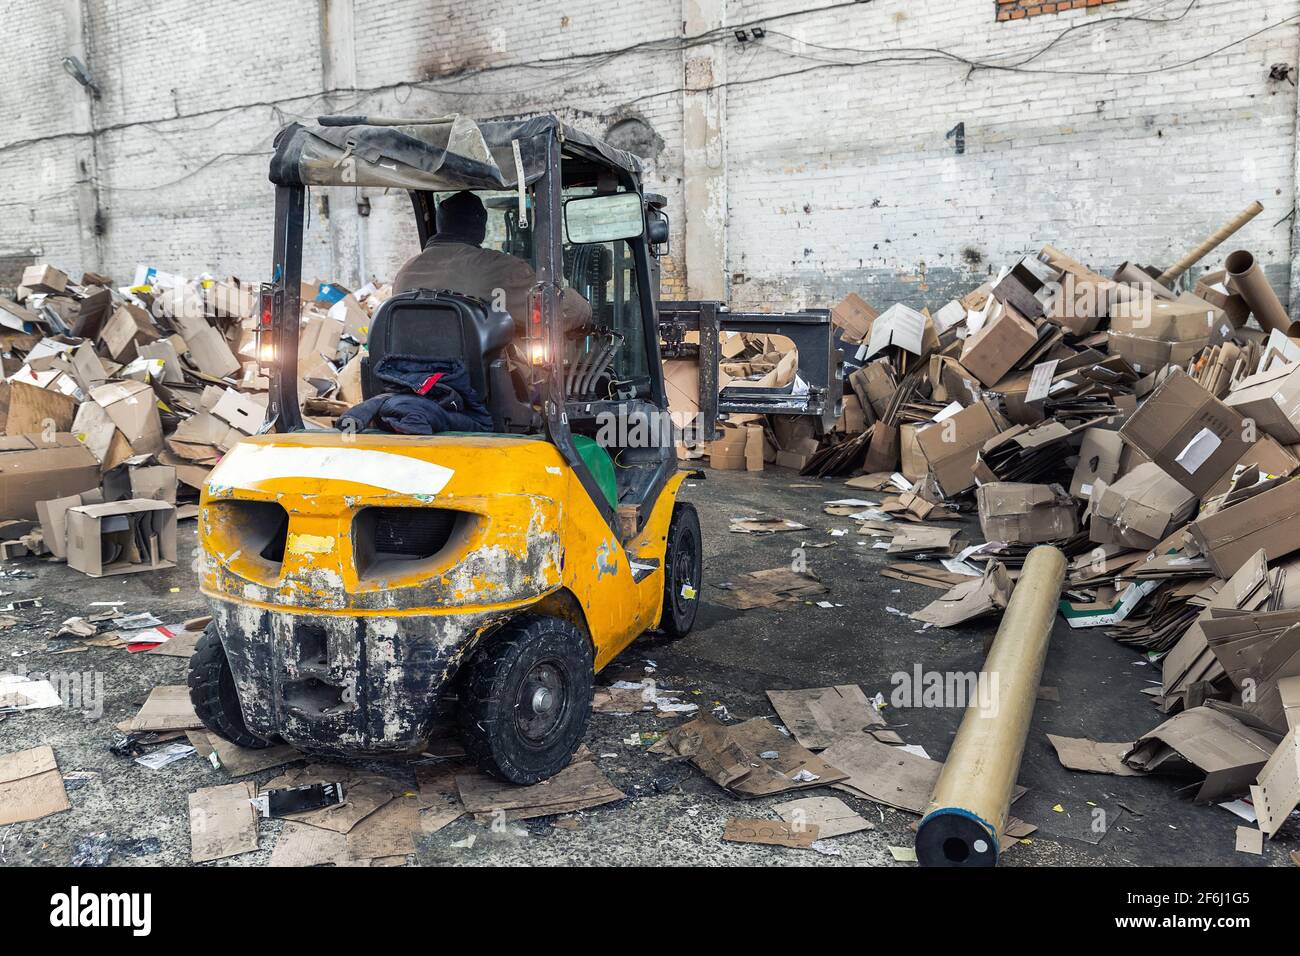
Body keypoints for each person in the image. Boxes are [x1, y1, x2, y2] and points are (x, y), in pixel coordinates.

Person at [393, 190, 590, 334]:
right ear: (481, 229)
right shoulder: (499, 269)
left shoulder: (406, 272)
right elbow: (560, 312)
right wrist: (586, 307)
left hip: (415, 382)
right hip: (479, 384)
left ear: (439, 225)